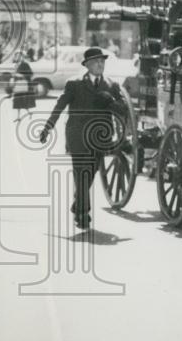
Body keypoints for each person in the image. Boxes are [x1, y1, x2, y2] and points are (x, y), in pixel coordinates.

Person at [37, 48, 128, 229]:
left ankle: (78, 202)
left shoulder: (111, 85)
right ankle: (83, 213)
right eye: (96, 62)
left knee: (90, 173)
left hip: (100, 138)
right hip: (77, 136)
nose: (100, 65)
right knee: (82, 173)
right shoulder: (75, 84)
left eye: (102, 61)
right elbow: (59, 106)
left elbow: (123, 110)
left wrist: (110, 101)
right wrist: (47, 127)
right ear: (86, 65)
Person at [10, 51, 36, 123]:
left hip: (24, 85)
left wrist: (22, 76)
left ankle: (28, 113)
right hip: (18, 85)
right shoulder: (17, 65)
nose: (18, 58)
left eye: (19, 56)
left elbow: (31, 74)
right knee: (17, 102)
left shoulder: (25, 64)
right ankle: (19, 117)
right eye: (17, 56)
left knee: (23, 101)